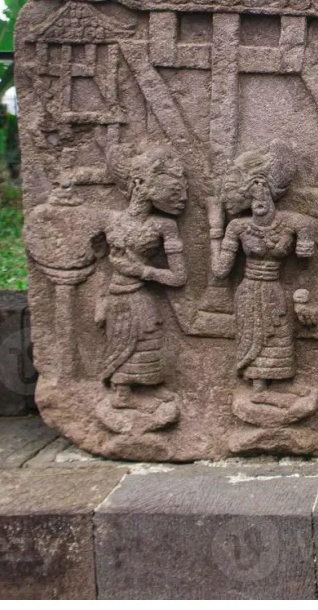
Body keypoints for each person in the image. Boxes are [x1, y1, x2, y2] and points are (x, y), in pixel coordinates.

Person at [213, 139, 317, 414]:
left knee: (281, 337)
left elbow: (306, 268)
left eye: (263, 189)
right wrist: (215, 230)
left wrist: (302, 298)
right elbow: (221, 271)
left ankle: (281, 381)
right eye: (253, 192)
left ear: (273, 190)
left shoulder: (297, 223)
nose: (259, 198)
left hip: (275, 289)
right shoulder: (237, 227)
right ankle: (260, 390)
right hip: (249, 291)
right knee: (255, 337)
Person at [98, 144, 187, 429]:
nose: (182, 198)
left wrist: (143, 271)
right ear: (141, 184)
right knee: (123, 341)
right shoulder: (110, 220)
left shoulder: (165, 227)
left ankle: (144, 387)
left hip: (141, 292)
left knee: (149, 339)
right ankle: (122, 394)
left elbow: (178, 277)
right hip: (117, 295)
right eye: (174, 191)